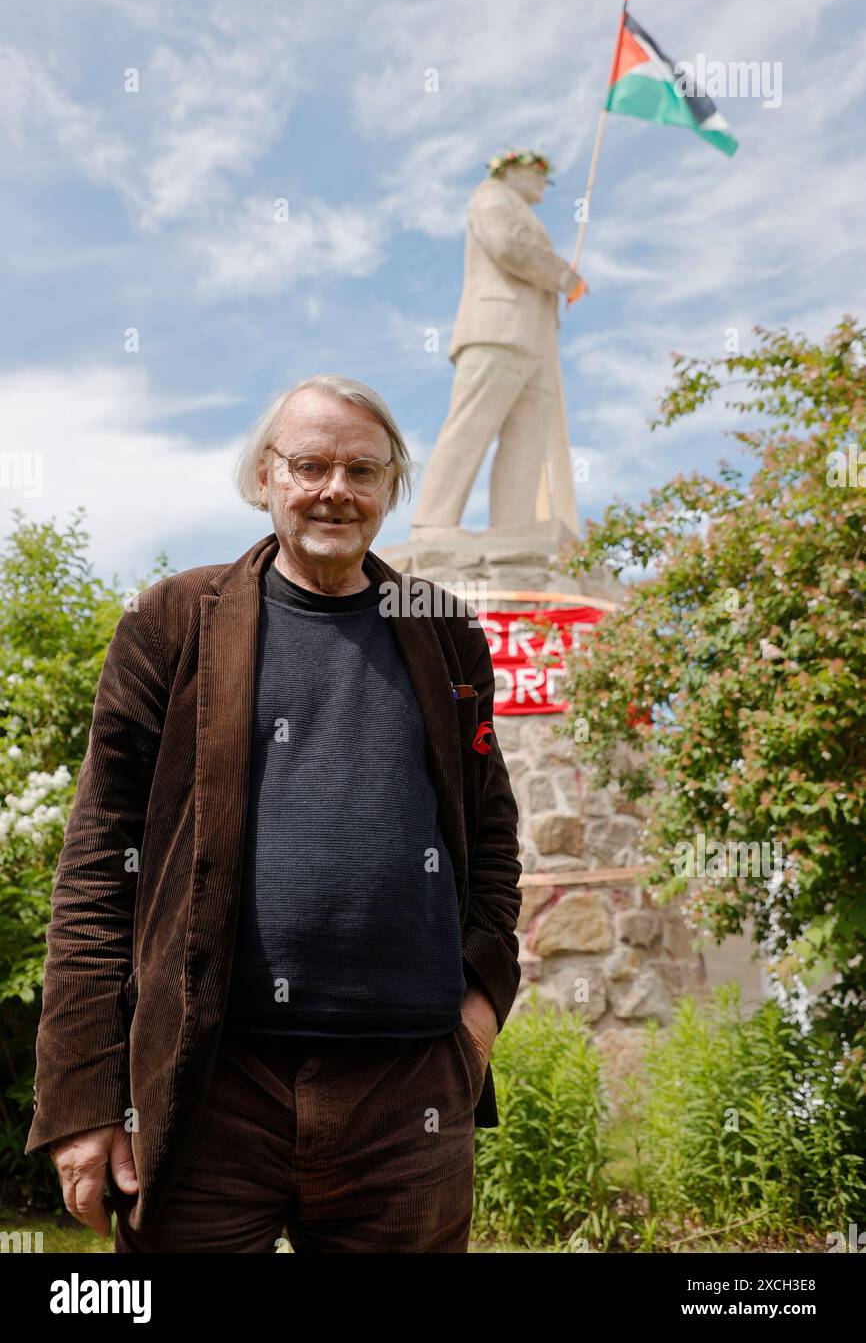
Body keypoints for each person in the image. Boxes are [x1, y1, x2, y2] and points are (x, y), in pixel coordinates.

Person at [25, 373, 523, 1253]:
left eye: (364, 471)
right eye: (311, 465)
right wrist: (86, 1097)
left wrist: (478, 1011)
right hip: (208, 1084)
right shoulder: (172, 621)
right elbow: (100, 864)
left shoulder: (444, 631)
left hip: (409, 1097)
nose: (336, 489)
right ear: (265, 476)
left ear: (391, 488)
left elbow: (491, 844)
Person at [410, 149, 586, 536]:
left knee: (527, 436)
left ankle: (513, 526)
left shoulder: (522, 209)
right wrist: (565, 276)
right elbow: (510, 247)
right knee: (472, 424)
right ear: (512, 169)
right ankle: (433, 522)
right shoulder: (489, 196)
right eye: (539, 172)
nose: (544, 182)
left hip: (537, 341)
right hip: (498, 328)